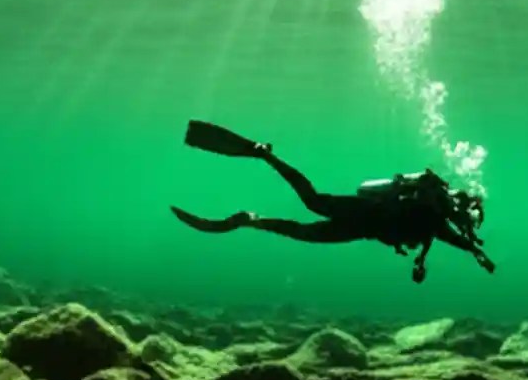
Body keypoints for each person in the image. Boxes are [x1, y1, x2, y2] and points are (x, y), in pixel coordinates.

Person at [169, 120, 495, 283]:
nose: (466, 224)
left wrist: (478, 252)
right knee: (308, 210)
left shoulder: (436, 218)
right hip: (364, 214)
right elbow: (454, 239)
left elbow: (456, 240)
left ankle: (250, 216)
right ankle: (264, 163)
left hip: (361, 224)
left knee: (305, 223)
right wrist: (477, 252)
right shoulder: (435, 217)